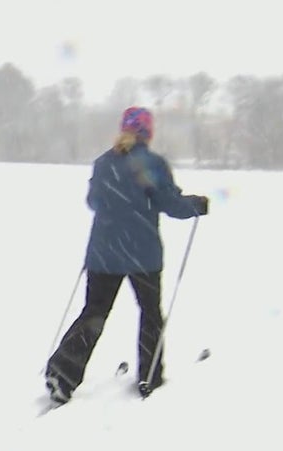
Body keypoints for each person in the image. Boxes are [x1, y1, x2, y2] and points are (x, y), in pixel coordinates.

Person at [44, 106, 208, 404]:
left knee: (94, 313)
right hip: (142, 254)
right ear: (149, 132)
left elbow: (93, 201)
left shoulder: (104, 163)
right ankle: (150, 377)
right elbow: (169, 204)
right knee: (150, 314)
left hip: (103, 253)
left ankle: (63, 372)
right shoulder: (154, 163)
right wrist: (195, 204)